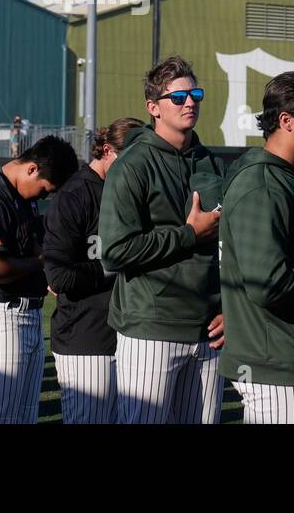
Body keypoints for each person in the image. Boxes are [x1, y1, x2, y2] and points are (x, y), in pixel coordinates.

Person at [98, 56, 225, 424]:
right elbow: (115, 251)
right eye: (179, 97)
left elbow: (231, 248)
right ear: (153, 107)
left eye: (195, 94)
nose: (190, 102)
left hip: (208, 329)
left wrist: (232, 306)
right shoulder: (132, 164)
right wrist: (189, 234)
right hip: (150, 328)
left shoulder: (212, 163)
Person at [220, 72, 294, 424]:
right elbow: (268, 286)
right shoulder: (263, 185)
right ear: (287, 120)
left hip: (282, 358)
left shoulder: (280, 177)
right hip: (275, 363)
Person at [0, 136, 79, 424]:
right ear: (32, 169)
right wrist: (41, 262)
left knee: (23, 418)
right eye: (44, 189)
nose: (43, 196)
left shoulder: (20, 198)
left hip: (25, 313)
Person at [44, 117, 141, 424]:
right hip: (85, 337)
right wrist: (116, 265)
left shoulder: (130, 192)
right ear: (108, 150)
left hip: (127, 334)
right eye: (132, 158)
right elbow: (58, 277)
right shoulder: (75, 195)